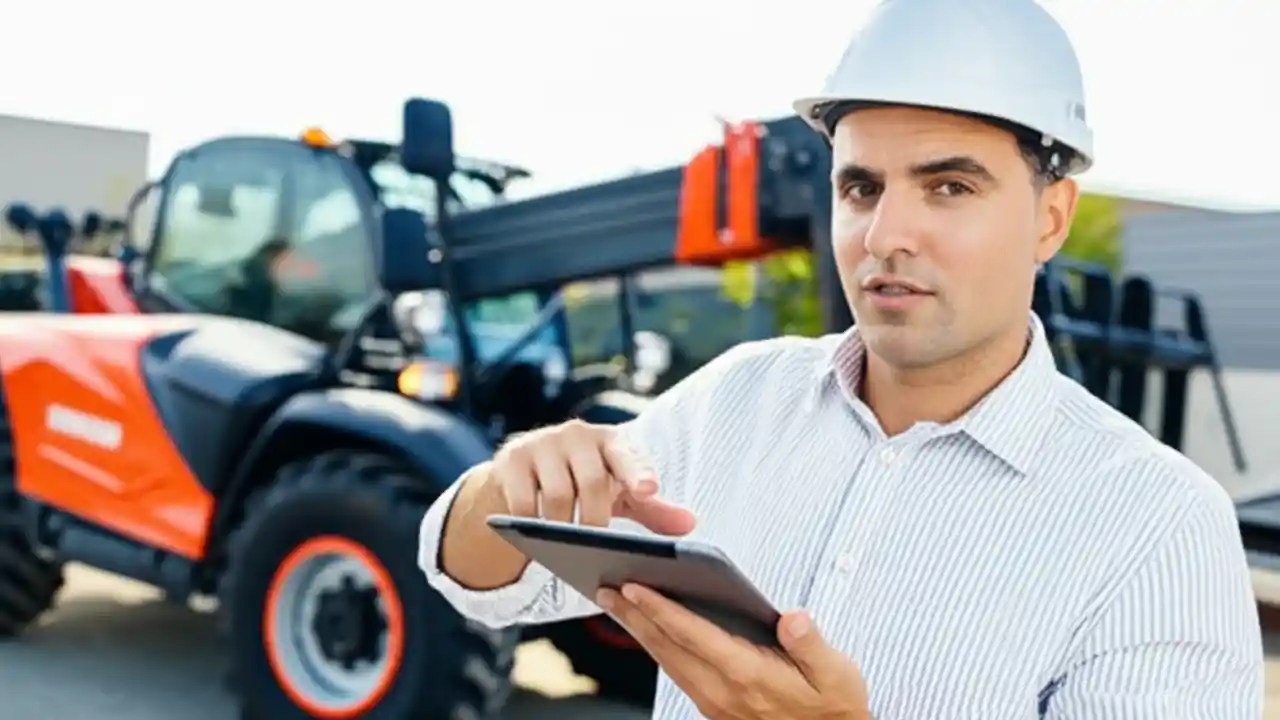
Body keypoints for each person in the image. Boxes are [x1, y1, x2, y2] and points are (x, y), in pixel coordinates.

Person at [418, 0, 1265, 716]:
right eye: (861, 187)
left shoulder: (1158, 527)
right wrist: (508, 485)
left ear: (1050, 218)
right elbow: (474, 582)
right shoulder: (738, 400)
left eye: (950, 187)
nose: (886, 236)